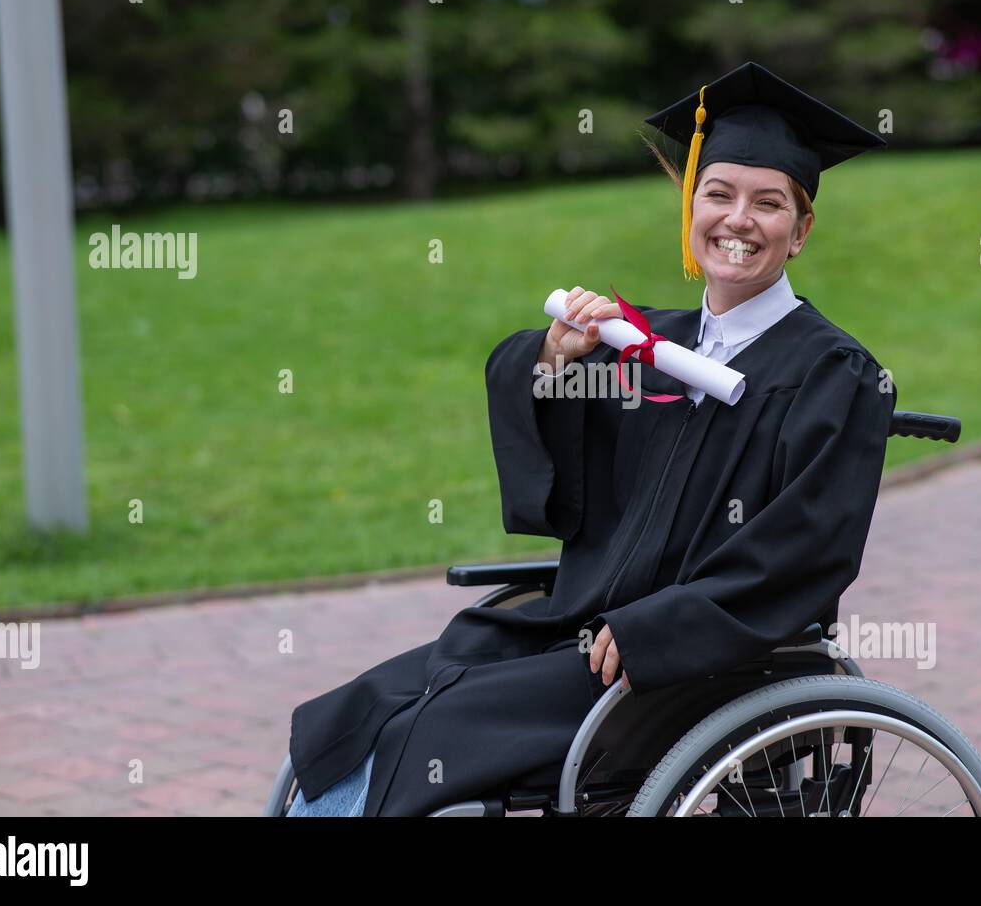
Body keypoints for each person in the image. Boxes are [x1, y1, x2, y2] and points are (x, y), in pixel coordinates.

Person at [285, 60, 897, 816]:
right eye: (718, 193)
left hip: (688, 663)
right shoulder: (646, 343)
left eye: (768, 204)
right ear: (690, 208)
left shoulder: (831, 371)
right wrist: (553, 359)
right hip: (579, 628)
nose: (739, 220)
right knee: (378, 700)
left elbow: (809, 549)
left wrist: (662, 629)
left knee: (432, 732)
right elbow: (545, 423)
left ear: (800, 231)